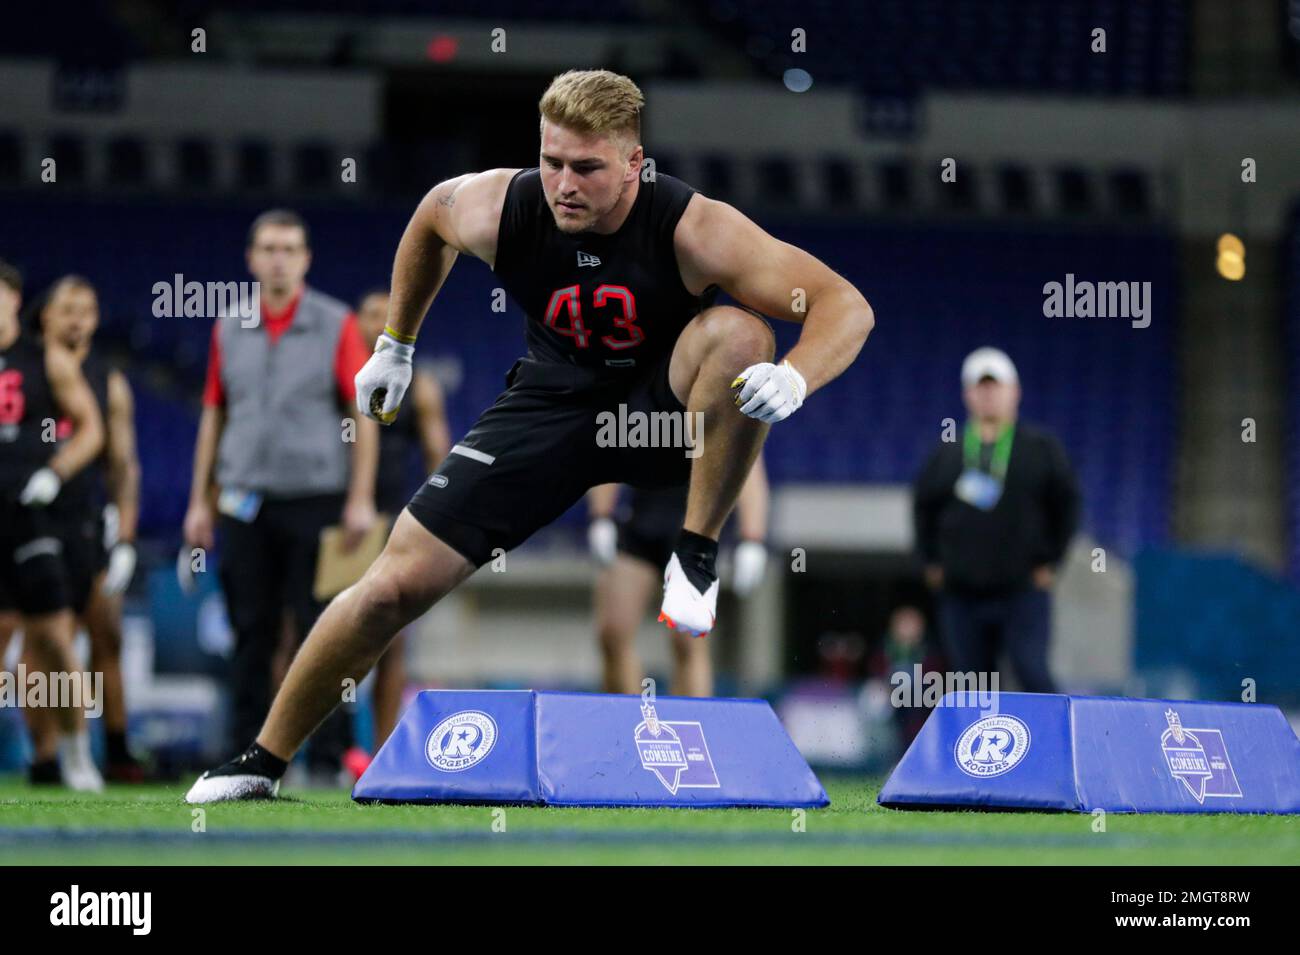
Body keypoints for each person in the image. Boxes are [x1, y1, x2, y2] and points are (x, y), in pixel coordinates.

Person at [186, 69, 873, 803]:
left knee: (742, 335)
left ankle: (695, 551)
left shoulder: (693, 226)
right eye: (550, 162)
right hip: (550, 405)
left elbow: (843, 303)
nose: (563, 185)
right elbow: (429, 218)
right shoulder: (502, 206)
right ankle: (261, 758)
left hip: (661, 411)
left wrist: (797, 376)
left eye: (586, 167)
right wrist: (397, 343)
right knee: (390, 586)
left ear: (636, 165)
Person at [181, 210, 379, 776]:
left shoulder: (334, 321)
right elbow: (213, 416)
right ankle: (246, 752)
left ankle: (327, 753)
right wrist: (200, 501)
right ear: (251, 258)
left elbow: (361, 413)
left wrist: (359, 498)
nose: (278, 259)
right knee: (250, 629)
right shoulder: (229, 326)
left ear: (306, 258)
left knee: (324, 629)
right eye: (268, 248)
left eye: (290, 249)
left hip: (318, 498)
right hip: (243, 498)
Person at [19, 276, 145, 783]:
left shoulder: (107, 380)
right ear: (43, 316)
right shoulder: (22, 372)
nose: (77, 319)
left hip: (84, 522)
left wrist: (126, 538)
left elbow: (123, 465)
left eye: (87, 310)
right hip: (27, 519)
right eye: (67, 309)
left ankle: (116, 750)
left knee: (106, 632)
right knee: (41, 639)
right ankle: (45, 757)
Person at [912, 347, 1080, 694]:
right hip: (961, 592)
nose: (988, 394)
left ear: (1014, 392)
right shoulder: (948, 452)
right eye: (980, 386)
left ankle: (1055, 745)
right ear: (967, 394)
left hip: (1022, 589)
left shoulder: (1041, 448)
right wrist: (930, 563)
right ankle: (979, 748)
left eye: (996, 386)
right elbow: (923, 509)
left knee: (1031, 671)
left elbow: (1068, 504)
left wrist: (1052, 560)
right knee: (970, 684)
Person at [0, 259, 105, 790]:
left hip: (29, 513)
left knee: (54, 636)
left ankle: (75, 750)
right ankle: (34, 751)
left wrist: (53, 471)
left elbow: (91, 429)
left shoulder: (46, 360)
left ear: (16, 299)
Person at [354, 289, 451, 750]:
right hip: (333, 521)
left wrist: (437, 519)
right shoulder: (338, 378)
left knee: (391, 640)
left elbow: (439, 456)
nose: (377, 324)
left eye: (385, 316)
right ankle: (321, 751)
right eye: (369, 316)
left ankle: (379, 750)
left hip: (391, 522)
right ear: (355, 323)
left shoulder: (421, 385)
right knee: (313, 630)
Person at [587, 455, 769, 697]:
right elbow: (610, 447)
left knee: (688, 640)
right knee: (612, 633)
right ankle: (628, 721)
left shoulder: (719, 415)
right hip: (640, 523)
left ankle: (689, 726)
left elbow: (747, 460)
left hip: (695, 530)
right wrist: (601, 516)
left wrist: (752, 538)